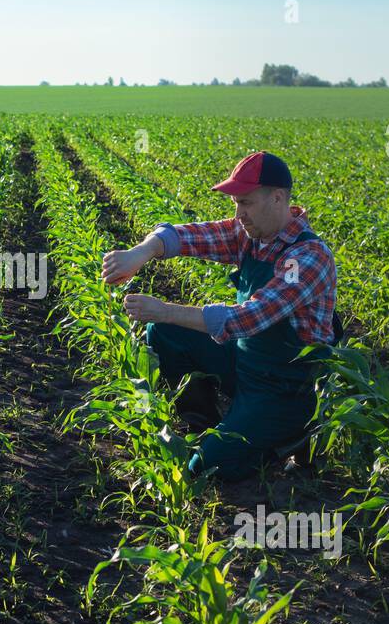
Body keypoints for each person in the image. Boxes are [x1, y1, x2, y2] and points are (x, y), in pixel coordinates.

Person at [101, 151, 339, 481]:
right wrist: (140, 253)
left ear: (278, 198)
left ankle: (288, 437)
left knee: (205, 470)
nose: (239, 214)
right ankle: (208, 425)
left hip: (285, 389)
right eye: (236, 204)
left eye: (246, 203)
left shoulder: (307, 257)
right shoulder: (252, 234)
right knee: (165, 334)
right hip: (246, 364)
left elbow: (248, 319)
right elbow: (187, 235)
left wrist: (166, 310)